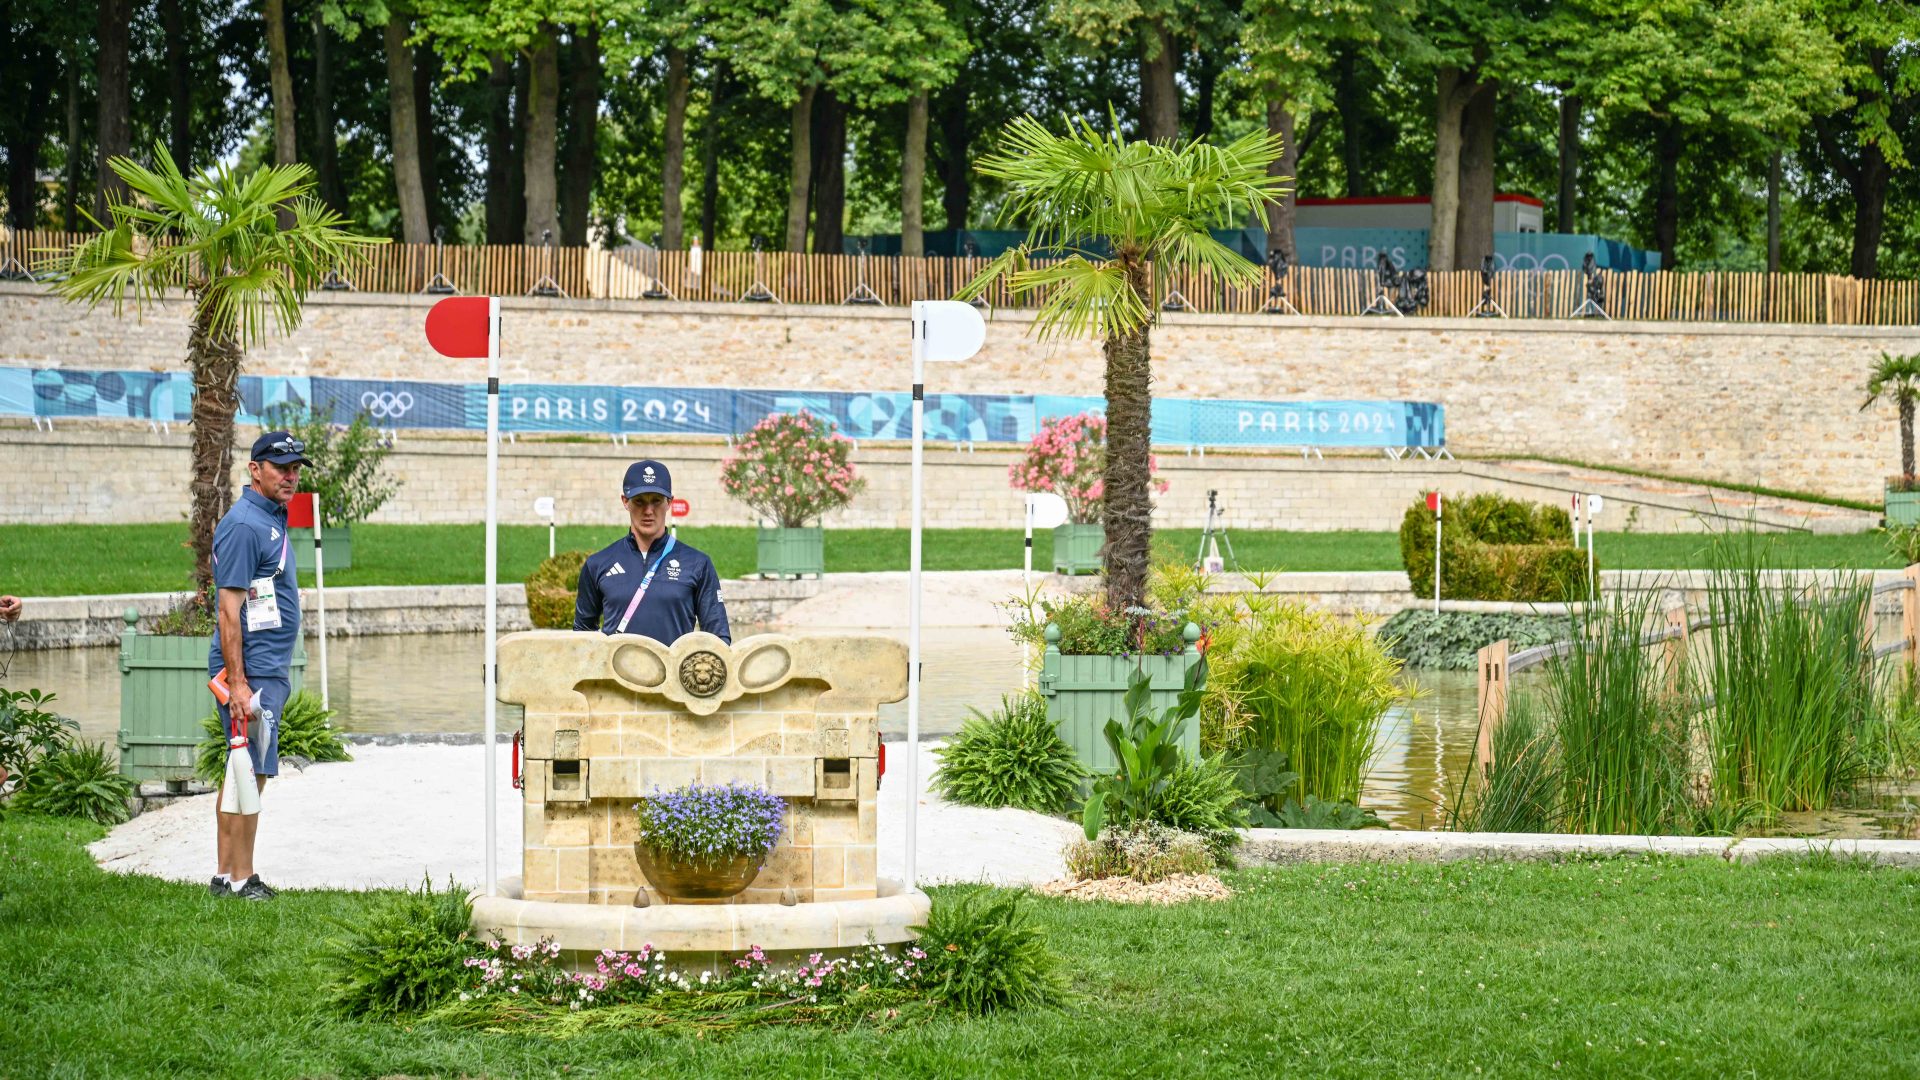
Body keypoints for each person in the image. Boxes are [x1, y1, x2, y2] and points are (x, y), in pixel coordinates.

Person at [207, 430, 311, 901]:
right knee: (249, 771)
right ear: (255, 470)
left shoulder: (270, 517)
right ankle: (241, 878)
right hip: (251, 674)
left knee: (245, 769)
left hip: (266, 669)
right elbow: (228, 611)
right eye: (280, 468)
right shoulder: (245, 524)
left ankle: (226, 875)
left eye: (295, 468)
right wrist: (241, 684)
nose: (290, 476)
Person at [574, 459, 730, 645]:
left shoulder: (697, 563)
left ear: (669, 502)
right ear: (625, 501)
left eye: (656, 501)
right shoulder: (598, 563)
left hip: (674, 673)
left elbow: (718, 637)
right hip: (616, 675)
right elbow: (582, 635)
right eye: (639, 501)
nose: (648, 511)